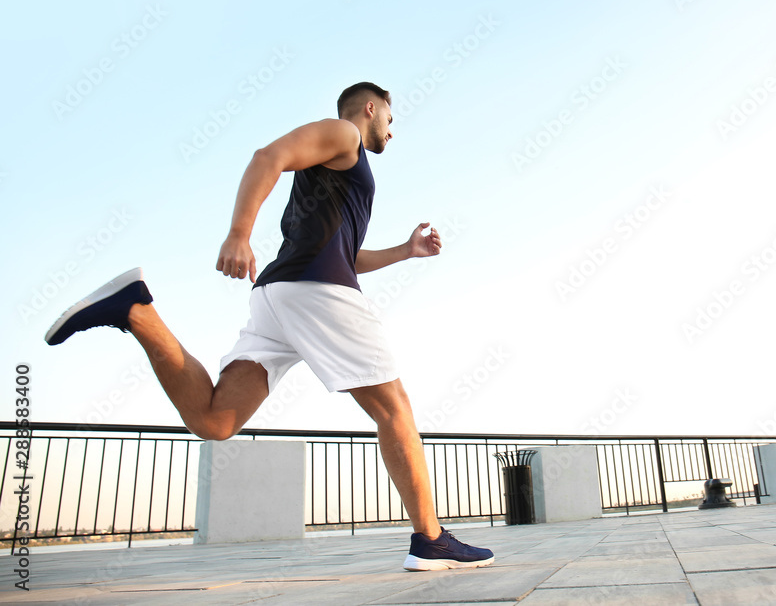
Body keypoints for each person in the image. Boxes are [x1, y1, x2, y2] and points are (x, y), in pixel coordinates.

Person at [44, 82, 494, 572]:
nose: (392, 129)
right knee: (394, 408)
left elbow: (348, 256)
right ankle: (430, 539)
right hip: (318, 292)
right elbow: (268, 156)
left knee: (214, 421)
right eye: (390, 117)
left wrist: (405, 251)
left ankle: (136, 310)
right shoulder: (344, 134)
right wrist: (239, 233)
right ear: (371, 108)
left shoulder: (339, 169)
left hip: (280, 295)